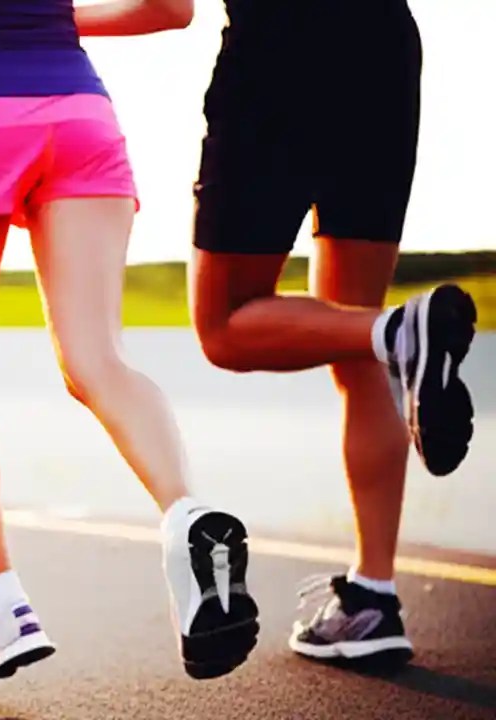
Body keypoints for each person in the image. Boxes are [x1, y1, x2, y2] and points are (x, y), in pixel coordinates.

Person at [0, 0, 255, 685]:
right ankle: (187, 513)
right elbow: (172, 9)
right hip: (80, 112)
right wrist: (49, 16)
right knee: (99, 362)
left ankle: (2, 605)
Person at [164, 0, 475, 666]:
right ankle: (373, 598)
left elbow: (164, 6)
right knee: (350, 334)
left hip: (280, 46)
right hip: (384, 42)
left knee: (224, 327)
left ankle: (399, 330)